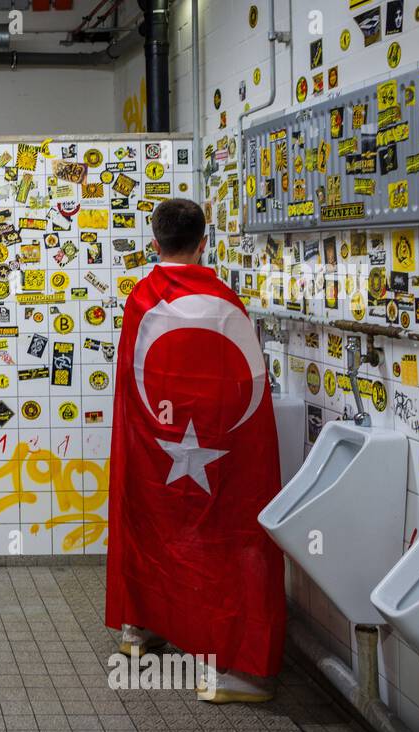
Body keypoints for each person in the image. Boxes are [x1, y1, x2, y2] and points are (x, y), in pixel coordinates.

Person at [104, 198, 286, 703]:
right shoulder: (225, 301)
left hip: (156, 445)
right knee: (229, 540)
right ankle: (238, 668)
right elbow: (248, 386)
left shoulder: (141, 299)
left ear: (154, 243)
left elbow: (132, 383)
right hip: (218, 446)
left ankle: (139, 627)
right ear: (204, 244)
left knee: (150, 521)